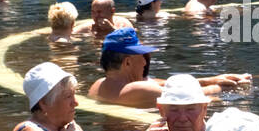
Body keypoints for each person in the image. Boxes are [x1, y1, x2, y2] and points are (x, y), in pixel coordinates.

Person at [90, 27, 249, 107]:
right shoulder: (137, 90)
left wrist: (210, 79)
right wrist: (224, 86)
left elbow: (154, 82)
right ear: (128, 62)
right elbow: (188, 95)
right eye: (142, 57)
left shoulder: (98, 85)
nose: (145, 63)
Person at [9, 63, 84, 131]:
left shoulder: (67, 128)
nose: (76, 103)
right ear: (44, 103)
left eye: (73, 95)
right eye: (68, 96)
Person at [142, 74, 212, 131]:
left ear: (204, 109)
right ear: (161, 110)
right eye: (174, 110)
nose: (182, 118)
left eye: (190, 109)